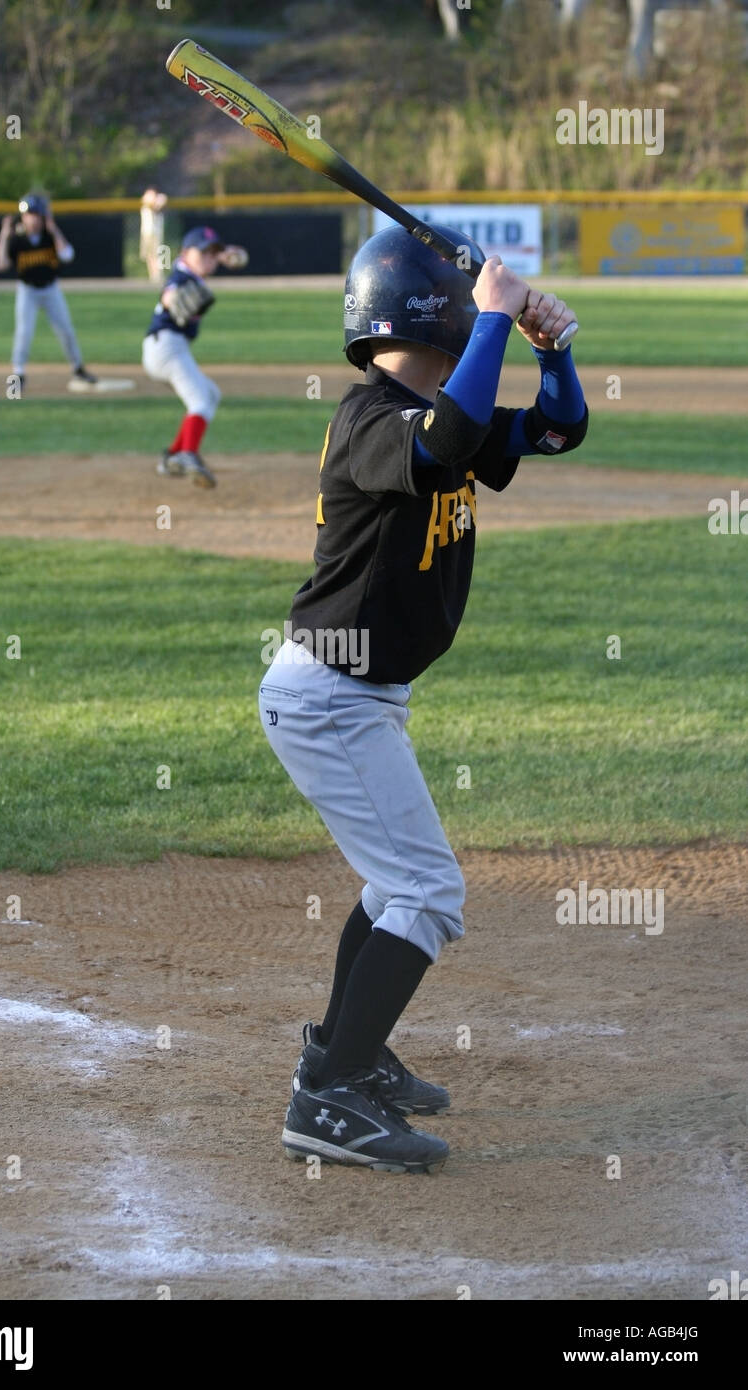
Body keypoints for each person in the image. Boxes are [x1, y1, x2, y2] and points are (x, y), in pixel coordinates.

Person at [258, 226, 589, 1174]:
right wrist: (492, 318)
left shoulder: (442, 403)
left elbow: (557, 429)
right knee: (428, 890)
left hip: (358, 694)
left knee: (392, 884)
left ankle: (341, 1058)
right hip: (329, 695)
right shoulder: (371, 419)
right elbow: (443, 440)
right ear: (435, 310)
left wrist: (550, 350)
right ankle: (325, 1101)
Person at [142, 225, 248, 489]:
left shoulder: (194, 272)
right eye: (204, 253)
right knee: (199, 399)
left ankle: (173, 456)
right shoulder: (180, 277)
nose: (209, 258)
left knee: (210, 395)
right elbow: (169, 293)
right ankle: (188, 455)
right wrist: (173, 299)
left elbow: (214, 258)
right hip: (165, 347)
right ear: (185, 253)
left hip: (170, 347)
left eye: (213, 254)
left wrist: (223, 255)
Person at [0, 193, 98, 396]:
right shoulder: (17, 239)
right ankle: (18, 376)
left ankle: (78, 368)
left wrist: (54, 229)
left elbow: (68, 255)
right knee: (24, 333)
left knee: (66, 329)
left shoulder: (50, 236)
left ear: (44, 217)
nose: (31, 219)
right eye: (28, 214)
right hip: (27, 290)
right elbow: (0, 264)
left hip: (51, 289)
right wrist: (4, 234)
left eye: (36, 215)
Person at [139, 188, 168, 284]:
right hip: (145, 232)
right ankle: (152, 275)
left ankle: (159, 275)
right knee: (149, 255)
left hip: (156, 232)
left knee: (158, 254)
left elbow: (160, 204)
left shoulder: (160, 200)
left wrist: (156, 200)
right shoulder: (145, 202)